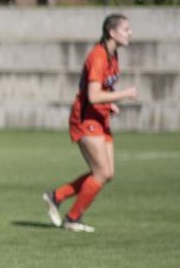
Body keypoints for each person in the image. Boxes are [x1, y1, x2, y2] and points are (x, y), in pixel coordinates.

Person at [44, 14, 138, 233]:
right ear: (112, 33)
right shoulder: (98, 56)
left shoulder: (112, 56)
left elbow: (102, 90)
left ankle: (57, 196)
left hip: (99, 117)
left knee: (107, 173)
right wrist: (124, 94)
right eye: (126, 29)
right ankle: (73, 217)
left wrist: (111, 104)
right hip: (86, 118)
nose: (130, 33)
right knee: (101, 172)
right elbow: (93, 96)